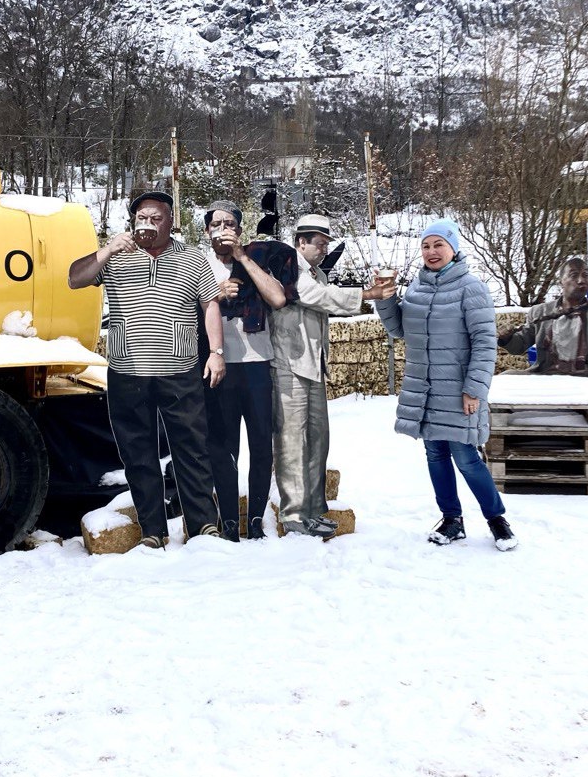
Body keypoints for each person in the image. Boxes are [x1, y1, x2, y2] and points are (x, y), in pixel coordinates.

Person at [68, 191, 224, 548]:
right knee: (138, 454)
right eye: (142, 218)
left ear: (171, 221)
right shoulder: (117, 257)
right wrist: (106, 250)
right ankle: (153, 531)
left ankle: (202, 526)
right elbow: (75, 279)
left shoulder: (193, 258)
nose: (148, 224)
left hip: (180, 370)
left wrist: (216, 352)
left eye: (156, 218)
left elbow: (210, 305)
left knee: (192, 449)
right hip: (127, 371)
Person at [375, 218, 517, 551]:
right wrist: (385, 299)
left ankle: (497, 520)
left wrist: (474, 390)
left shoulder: (472, 288)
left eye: (439, 244)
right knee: (435, 455)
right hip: (425, 390)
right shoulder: (417, 288)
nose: (432, 251)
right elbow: (400, 330)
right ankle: (452, 520)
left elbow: (485, 343)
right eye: (426, 246)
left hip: (457, 392)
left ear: (454, 248)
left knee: (467, 457)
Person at [269, 213, 388, 538]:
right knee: (292, 440)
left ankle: (312, 509)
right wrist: (366, 295)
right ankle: (293, 514)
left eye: (326, 244)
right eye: (318, 244)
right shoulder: (287, 266)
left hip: (313, 367)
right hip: (287, 367)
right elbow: (314, 296)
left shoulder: (317, 272)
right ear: (300, 242)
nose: (323, 250)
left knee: (318, 439)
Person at [201, 199, 294, 541]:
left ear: (239, 231)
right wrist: (215, 293)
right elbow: (181, 307)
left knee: (260, 445)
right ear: (207, 230)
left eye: (229, 224)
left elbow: (278, 298)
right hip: (218, 366)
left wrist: (242, 257)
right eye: (216, 223)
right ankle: (228, 521)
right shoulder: (199, 264)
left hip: (256, 364)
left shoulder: (254, 259)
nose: (222, 229)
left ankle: (255, 518)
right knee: (224, 448)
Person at [498, 256, 588, 377]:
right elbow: (519, 346)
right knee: (505, 378)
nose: (581, 280)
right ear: (561, 282)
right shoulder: (540, 312)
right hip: (546, 376)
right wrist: (506, 339)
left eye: (586, 275)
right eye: (574, 275)